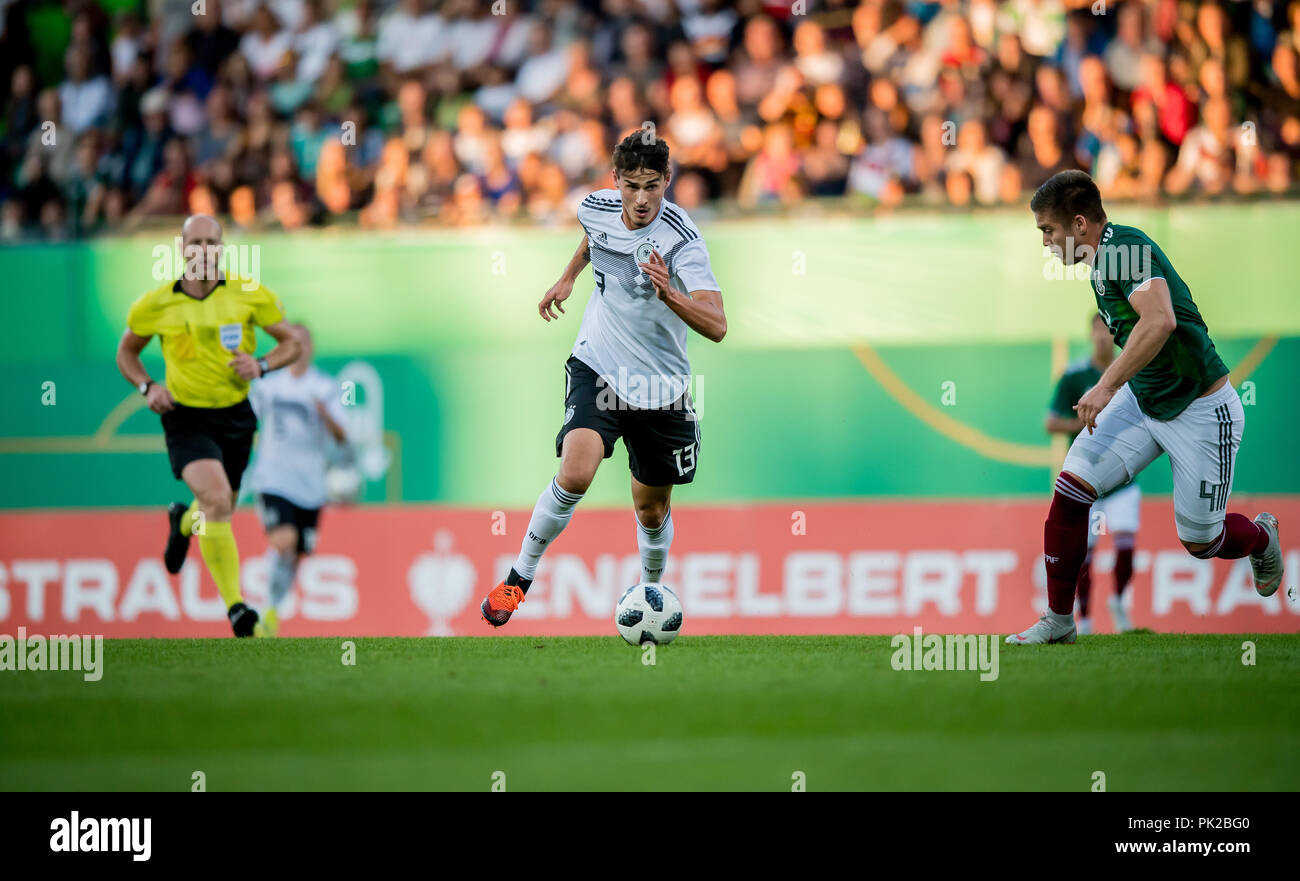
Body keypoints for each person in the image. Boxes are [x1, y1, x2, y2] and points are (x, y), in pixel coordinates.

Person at [1009, 170, 1283, 645]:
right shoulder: (1101, 258)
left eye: (1048, 231)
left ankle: (1261, 538)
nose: (1047, 244)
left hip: (1200, 409)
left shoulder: (1124, 249)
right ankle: (1059, 621)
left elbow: (1160, 320)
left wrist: (1105, 385)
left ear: (1078, 224)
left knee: (1202, 541)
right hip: (1144, 398)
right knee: (1071, 492)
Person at [480, 131, 727, 627]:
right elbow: (595, 239)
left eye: (652, 186)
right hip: (600, 363)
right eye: (632, 185)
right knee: (575, 473)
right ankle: (518, 580)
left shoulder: (682, 239)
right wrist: (568, 275)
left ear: (667, 181)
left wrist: (670, 295)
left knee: (651, 510)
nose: (641, 198)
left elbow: (717, 324)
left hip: (662, 388)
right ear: (615, 180)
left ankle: (651, 594)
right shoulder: (594, 207)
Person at [115, 214, 300, 637]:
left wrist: (262, 364)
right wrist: (147, 387)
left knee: (219, 508)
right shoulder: (155, 304)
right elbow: (126, 352)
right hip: (185, 416)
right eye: (194, 242)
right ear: (181, 249)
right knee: (217, 501)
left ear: (221, 249)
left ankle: (183, 523)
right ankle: (237, 609)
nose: (202, 251)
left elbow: (292, 342)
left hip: (235, 415)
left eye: (211, 243)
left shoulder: (249, 294)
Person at [246, 324, 348, 637]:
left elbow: (343, 436)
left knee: (298, 552)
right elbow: (246, 418)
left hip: (311, 486)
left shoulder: (326, 388)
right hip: (273, 478)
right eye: (294, 342)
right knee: (284, 541)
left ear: (312, 348)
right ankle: (265, 607)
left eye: (305, 342)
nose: (299, 348)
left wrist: (324, 415)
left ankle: (272, 609)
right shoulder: (269, 386)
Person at [1045, 313, 1140, 634]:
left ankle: (1119, 603)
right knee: (1085, 552)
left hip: (1123, 479)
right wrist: (1084, 421)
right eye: (1096, 329)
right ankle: (1084, 619)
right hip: (1088, 480)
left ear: (1115, 334)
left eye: (1107, 329)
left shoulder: (1132, 371)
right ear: (1090, 334)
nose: (1102, 336)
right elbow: (1051, 421)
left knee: (1126, 544)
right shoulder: (1075, 375)